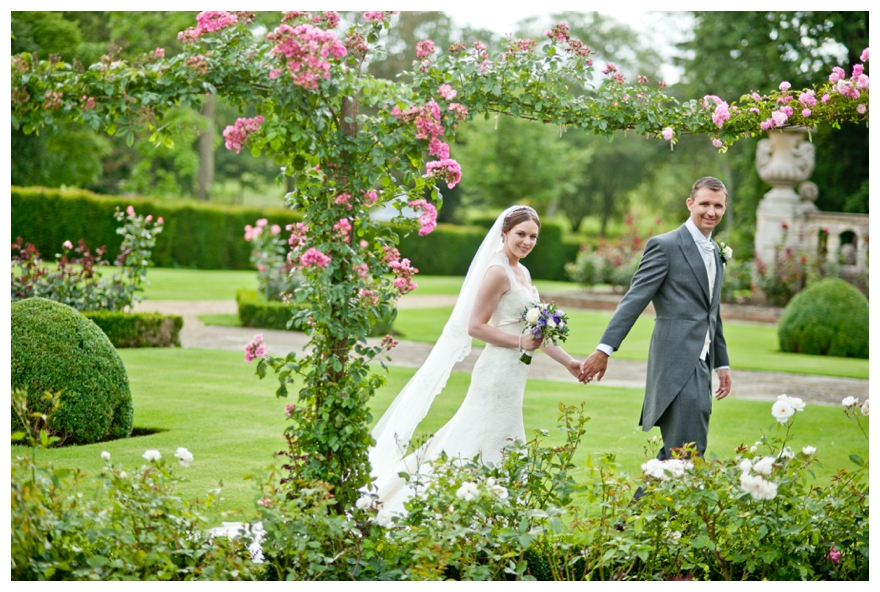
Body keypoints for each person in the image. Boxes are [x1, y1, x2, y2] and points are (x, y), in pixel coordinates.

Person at [369, 205, 585, 515]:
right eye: (521, 234)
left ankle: (487, 506)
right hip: (496, 371)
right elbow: (476, 326)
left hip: (514, 374)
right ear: (505, 233)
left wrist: (569, 362)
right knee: (496, 435)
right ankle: (478, 507)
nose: (527, 241)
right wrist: (519, 342)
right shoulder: (498, 271)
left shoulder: (521, 271)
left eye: (533, 236)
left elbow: (536, 334)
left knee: (488, 435)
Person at [580, 177, 732, 467]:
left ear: (725, 208)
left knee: (681, 453)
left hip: (701, 364)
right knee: (686, 454)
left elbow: (713, 311)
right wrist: (604, 349)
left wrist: (721, 364)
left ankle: (639, 513)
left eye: (718, 206)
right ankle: (652, 511)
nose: (711, 211)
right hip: (674, 362)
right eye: (704, 204)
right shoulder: (665, 246)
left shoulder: (717, 252)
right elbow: (634, 300)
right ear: (690, 204)